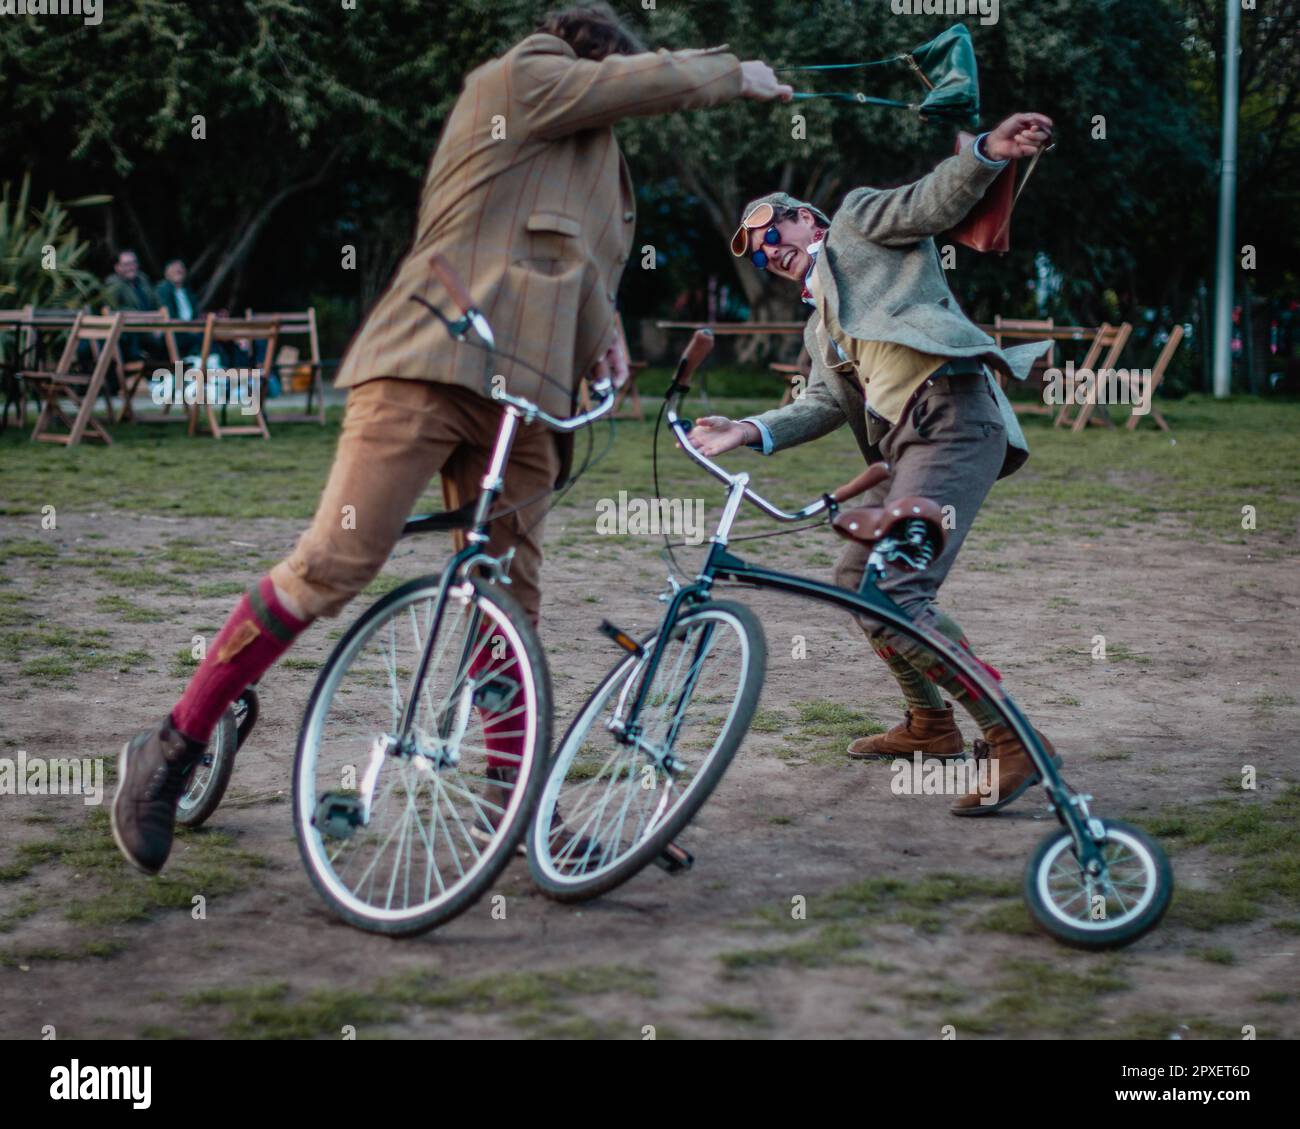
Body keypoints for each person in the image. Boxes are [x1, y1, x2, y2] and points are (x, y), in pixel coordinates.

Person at [110, 2, 792, 874]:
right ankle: (170, 747)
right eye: (613, 68)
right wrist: (734, 75)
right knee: (335, 563)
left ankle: (501, 817)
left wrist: (605, 334)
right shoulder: (523, 77)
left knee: (511, 610)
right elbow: (628, 87)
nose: (616, 91)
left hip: (531, 401)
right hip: (433, 359)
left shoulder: (601, 164)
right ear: (591, 53)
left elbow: (570, 265)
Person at [689, 114, 1058, 815]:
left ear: (806, 219)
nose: (768, 252)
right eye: (756, 252)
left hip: (953, 415)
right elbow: (823, 401)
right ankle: (931, 725)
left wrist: (987, 153)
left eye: (772, 233)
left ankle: (1012, 740)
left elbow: (929, 200)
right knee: (857, 580)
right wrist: (747, 426)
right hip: (910, 443)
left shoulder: (858, 224)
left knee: (898, 594)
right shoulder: (817, 323)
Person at [154, 259, 204, 357]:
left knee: (215, 338)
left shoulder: (188, 292)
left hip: (190, 330)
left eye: (181, 269)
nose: (178, 271)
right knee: (199, 339)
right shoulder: (163, 290)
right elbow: (168, 315)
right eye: (175, 270)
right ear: (167, 274)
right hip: (174, 330)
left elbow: (195, 314)